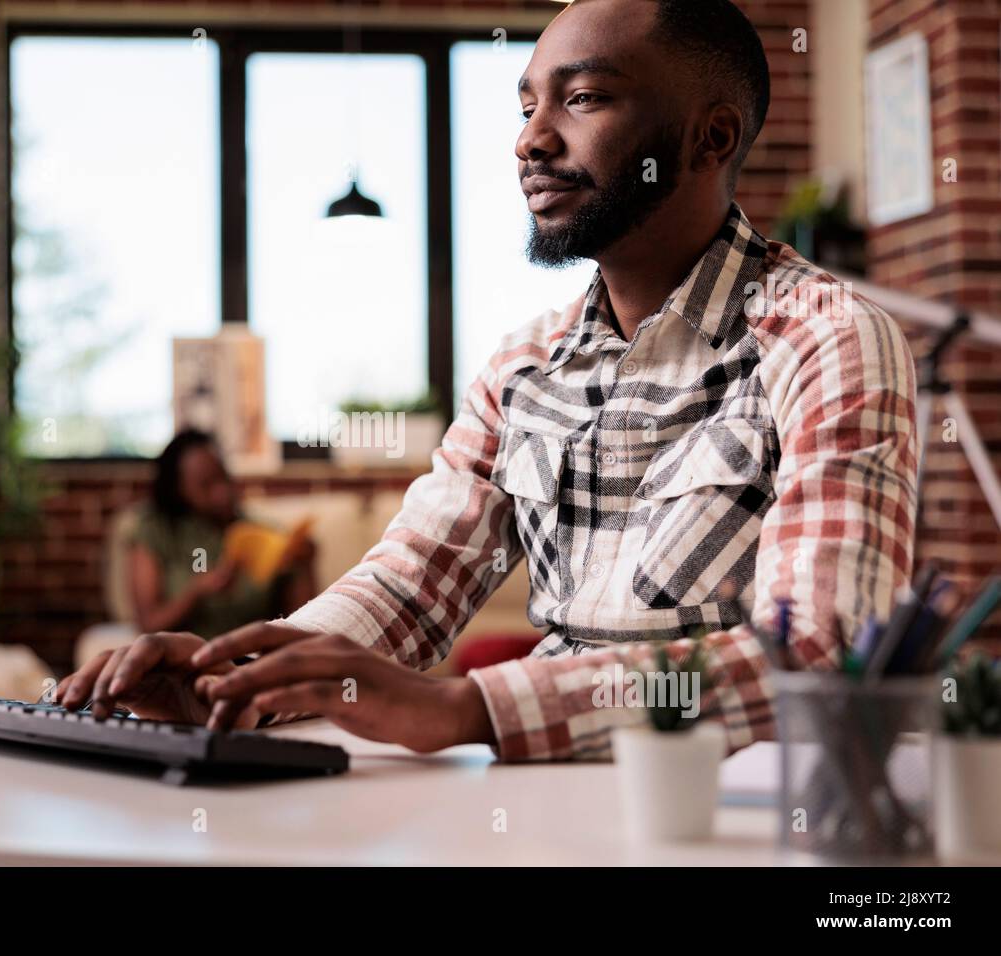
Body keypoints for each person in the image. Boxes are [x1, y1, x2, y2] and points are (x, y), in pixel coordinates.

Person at [57, 0, 916, 759]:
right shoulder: (521, 365)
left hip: (719, 823)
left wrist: (470, 708)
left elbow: (816, 655)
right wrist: (234, 677)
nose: (531, 139)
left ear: (711, 135)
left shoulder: (827, 341)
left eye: (582, 99)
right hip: (535, 810)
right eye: (527, 104)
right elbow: (408, 586)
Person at [124, 428, 316, 639]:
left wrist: (304, 566)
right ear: (178, 489)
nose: (222, 492)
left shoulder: (260, 533)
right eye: (205, 485)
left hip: (253, 658)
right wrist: (196, 592)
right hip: (185, 657)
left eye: (223, 477)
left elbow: (300, 626)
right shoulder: (155, 530)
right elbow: (149, 624)